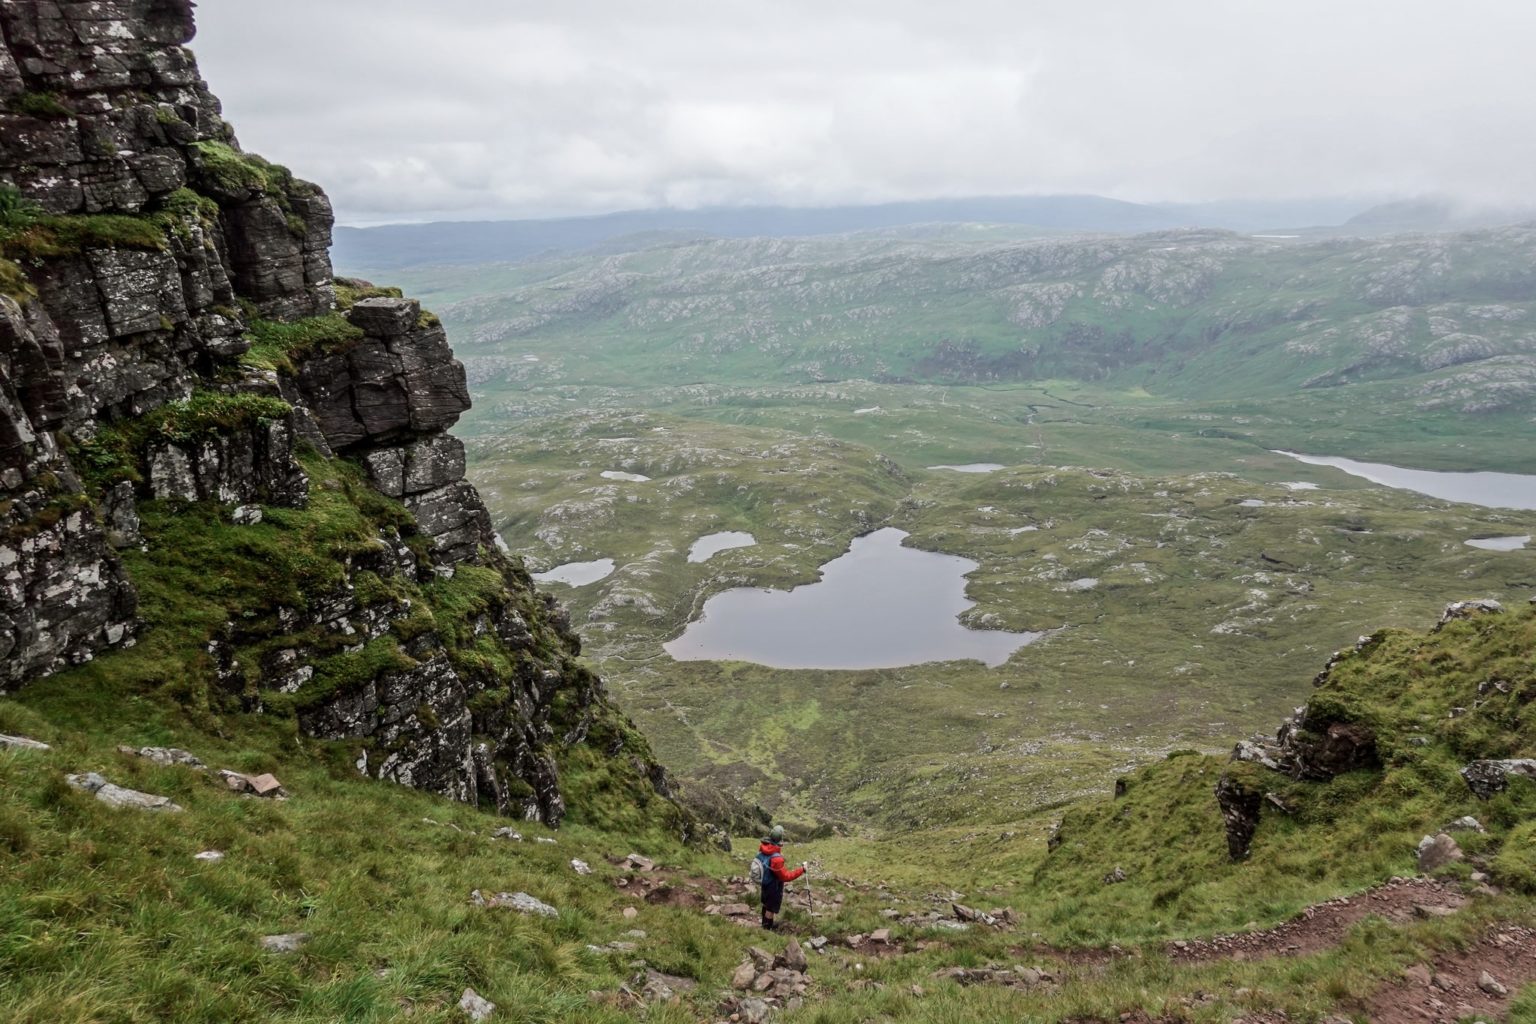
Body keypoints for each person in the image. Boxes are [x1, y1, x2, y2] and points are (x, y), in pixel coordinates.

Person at [755, 824, 806, 930]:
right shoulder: (777, 859)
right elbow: (785, 876)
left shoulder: (763, 849)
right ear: (780, 838)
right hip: (774, 887)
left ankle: (764, 925)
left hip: (765, 883)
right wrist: (802, 870)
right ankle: (767, 929)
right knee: (770, 908)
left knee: (765, 904)